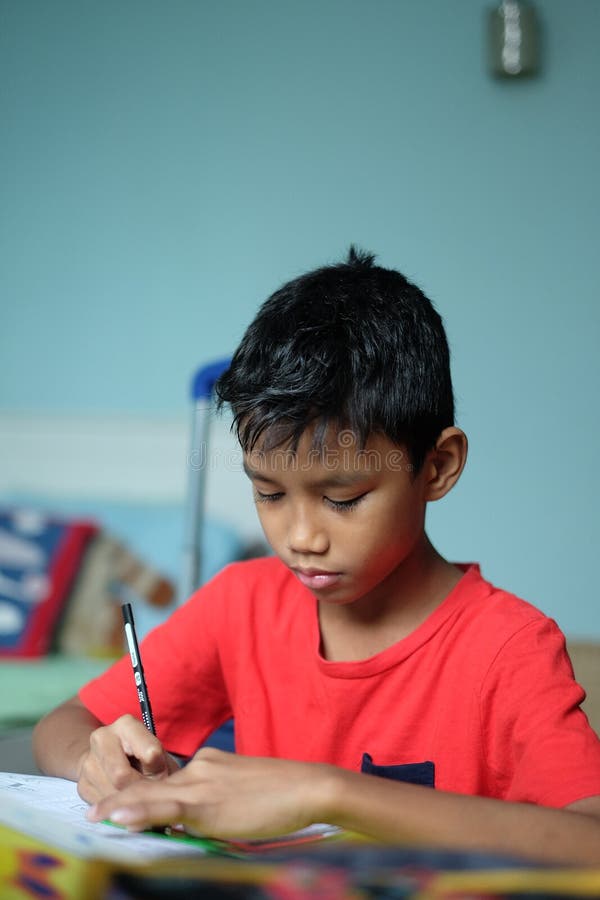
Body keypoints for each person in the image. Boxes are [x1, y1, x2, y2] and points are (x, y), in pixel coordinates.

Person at [33, 248, 600, 864]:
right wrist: (102, 765)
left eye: (343, 498)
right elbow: (64, 723)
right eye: (269, 494)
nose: (301, 536)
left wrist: (325, 793)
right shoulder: (243, 605)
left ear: (437, 466)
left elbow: (590, 841)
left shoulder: (508, 649)